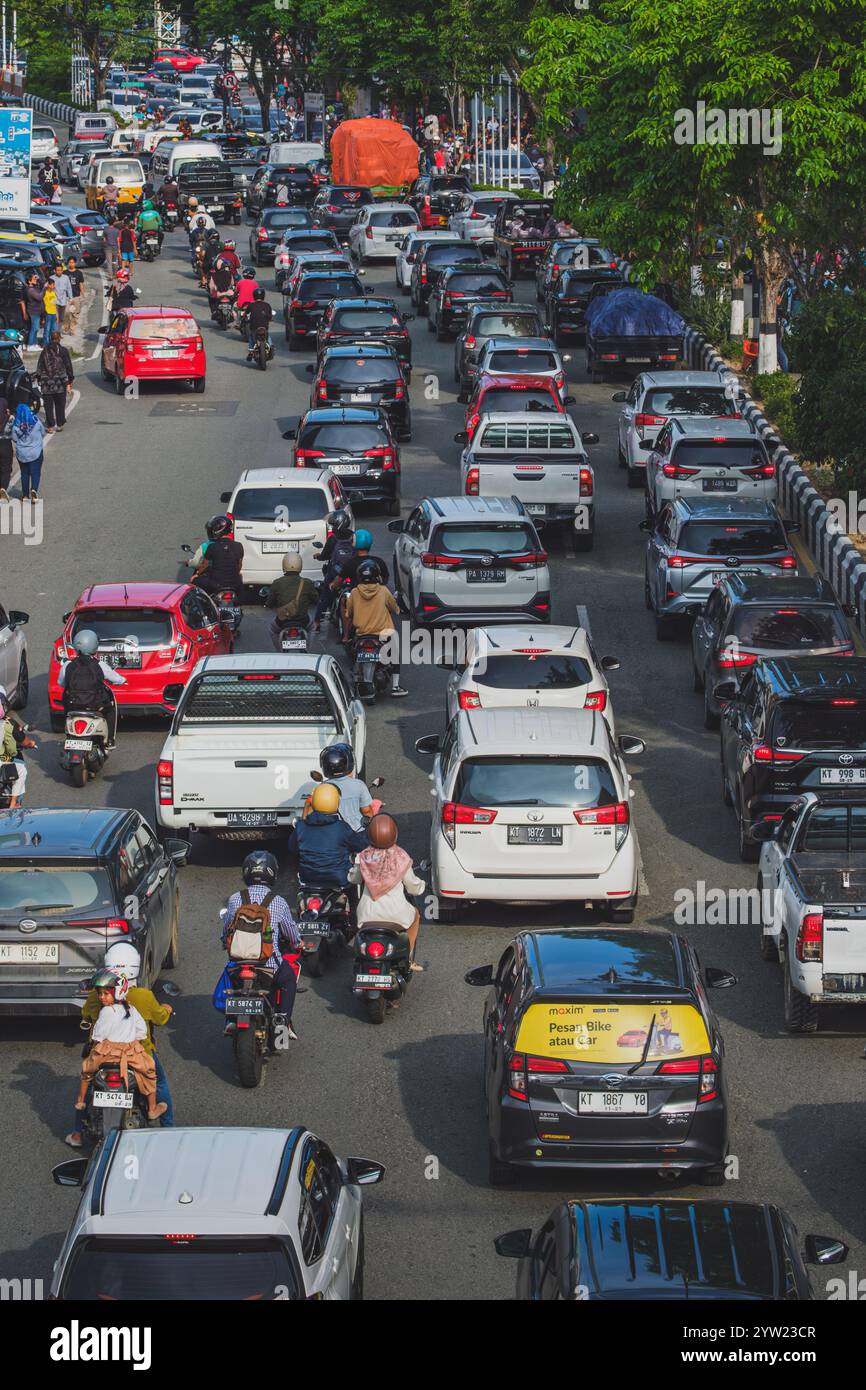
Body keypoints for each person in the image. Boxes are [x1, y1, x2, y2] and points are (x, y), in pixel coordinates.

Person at [67, 944, 174, 1146]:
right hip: (138, 1052)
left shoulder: (96, 997)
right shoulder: (143, 996)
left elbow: (87, 1017)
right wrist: (167, 1010)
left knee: (87, 1082)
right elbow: (157, 1020)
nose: (102, 996)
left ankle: (78, 1133)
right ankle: (167, 1127)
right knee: (158, 1082)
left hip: (103, 1055)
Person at [221, 851, 301, 1036]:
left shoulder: (235, 899)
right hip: (270, 967)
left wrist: (224, 943)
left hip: (239, 965)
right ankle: (282, 1025)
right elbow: (290, 933)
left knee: (230, 983)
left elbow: (226, 931)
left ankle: (230, 1019)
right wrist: (297, 943)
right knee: (289, 980)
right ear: (273, 873)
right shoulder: (279, 902)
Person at [75, 972, 167, 1123]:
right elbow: (142, 1032)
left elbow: (98, 1036)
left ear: (117, 992)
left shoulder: (105, 1012)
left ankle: (81, 1100)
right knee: (149, 1073)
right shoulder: (131, 1009)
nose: (101, 997)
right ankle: (152, 1108)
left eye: (106, 994)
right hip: (130, 1054)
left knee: (87, 1071)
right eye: (100, 994)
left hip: (106, 1054)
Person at [349, 813, 425, 968]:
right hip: (397, 914)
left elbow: (353, 879)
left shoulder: (363, 856)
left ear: (369, 834)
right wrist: (422, 884)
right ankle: (408, 959)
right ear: (395, 834)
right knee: (416, 916)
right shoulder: (401, 857)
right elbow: (413, 887)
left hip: (367, 914)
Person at [343, 558, 408, 696]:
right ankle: (396, 687)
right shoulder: (383, 591)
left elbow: (348, 613)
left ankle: (356, 679)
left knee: (351, 652)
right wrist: (396, 609)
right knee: (394, 653)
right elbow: (395, 608)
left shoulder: (354, 592)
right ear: (377, 576)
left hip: (361, 635)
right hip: (384, 635)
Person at [292, 782, 370, 895]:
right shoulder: (341, 828)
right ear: (336, 802)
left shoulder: (301, 826)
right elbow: (360, 846)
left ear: (314, 802)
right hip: (339, 879)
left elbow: (292, 847)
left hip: (308, 878)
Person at [57, 629, 126, 747]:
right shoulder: (99, 665)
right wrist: (123, 681)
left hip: (73, 704)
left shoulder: (67, 665)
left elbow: (61, 683)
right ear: (94, 646)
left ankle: (69, 735)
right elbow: (117, 679)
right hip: (95, 704)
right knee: (110, 710)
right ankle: (109, 740)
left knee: (66, 704)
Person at [317, 743, 375, 831]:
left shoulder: (322, 788)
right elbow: (366, 811)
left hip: (333, 831)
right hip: (357, 829)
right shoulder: (359, 784)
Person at [265, 552, 317, 647]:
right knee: (313, 627)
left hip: (282, 621)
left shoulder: (277, 583)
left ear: (284, 565)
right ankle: (308, 649)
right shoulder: (307, 583)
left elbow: (270, 602)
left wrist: (270, 604)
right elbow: (316, 599)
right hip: (303, 620)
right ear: (300, 565)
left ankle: (280, 651)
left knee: (272, 629)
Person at [192, 514, 244, 595]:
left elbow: (204, 566)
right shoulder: (239, 546)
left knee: (194, 581)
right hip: (235, 584)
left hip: (215, 584)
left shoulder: (212, 547)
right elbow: (239, 565)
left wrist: (197, 575)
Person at [0, 690, 36, 808]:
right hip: (5, 760)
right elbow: (24, 741)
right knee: (21, 771)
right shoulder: (9, 723)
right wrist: (31, 743)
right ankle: (14, 804)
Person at [35, 332, 74, 433]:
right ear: (59, 339)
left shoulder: (44, 351)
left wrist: (39, 379)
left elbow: (39, 367)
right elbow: (68, 366)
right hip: (60, 382)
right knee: (60, 404)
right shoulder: (63, 351)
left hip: (46, 383)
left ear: (50, 338)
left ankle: (50, 426)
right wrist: (69, 381)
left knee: (48, 406)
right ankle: (60, 424)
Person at [11, 403, 45, 501]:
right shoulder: (36, 421)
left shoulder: (16, 426)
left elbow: (14, 438)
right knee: (35, 472)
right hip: (36, 452)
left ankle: (25, 495)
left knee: (24, 473)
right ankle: (34, 490)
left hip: (22, 453)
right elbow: (42, 432)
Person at [245, 285, 273, 359]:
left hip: (254, 327)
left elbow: (246, 314)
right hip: (264, 327)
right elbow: (270, 317)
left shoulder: (251, 305)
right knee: (268, 335)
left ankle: (251, 351)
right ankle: (271, 345)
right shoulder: (267, 305)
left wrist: (246, 319)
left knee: (251, 336)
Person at [64, 256, 85, 331]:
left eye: (73, 262)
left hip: (76, 296)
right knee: (66, 312)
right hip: (67, 297)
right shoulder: (65, 273)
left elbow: (81, 284)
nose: (71, 264)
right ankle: (66, 326)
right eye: (70, 262)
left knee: (75, 314)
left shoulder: (79, 273)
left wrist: (83, 295)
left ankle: (72, 328)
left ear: (75, 263)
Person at [24, 272, 43, 351]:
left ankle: (34, 344)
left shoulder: (34, 287)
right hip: (33, 312)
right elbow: (39, 297)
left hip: (36, 311)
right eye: (33, 278)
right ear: (29, 281)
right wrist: (45, 289)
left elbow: (40, 283)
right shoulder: (30, 290)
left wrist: (37, 278)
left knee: (36, 328)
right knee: (34, 328)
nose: (35, 279)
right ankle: (30, 345)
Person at [41, 278, 57, 346]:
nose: (54, 286)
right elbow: (42, 304)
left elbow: (54, 304)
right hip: (48, 314)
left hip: (53, 313)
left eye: (54, 284)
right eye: (53, 285)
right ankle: (45, 345)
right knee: (47, 330)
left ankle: (52, 344)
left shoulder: (53, 292)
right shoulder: (45, 293)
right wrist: (43, 317)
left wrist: (57, 315)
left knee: (53, 330)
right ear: (49, 285)